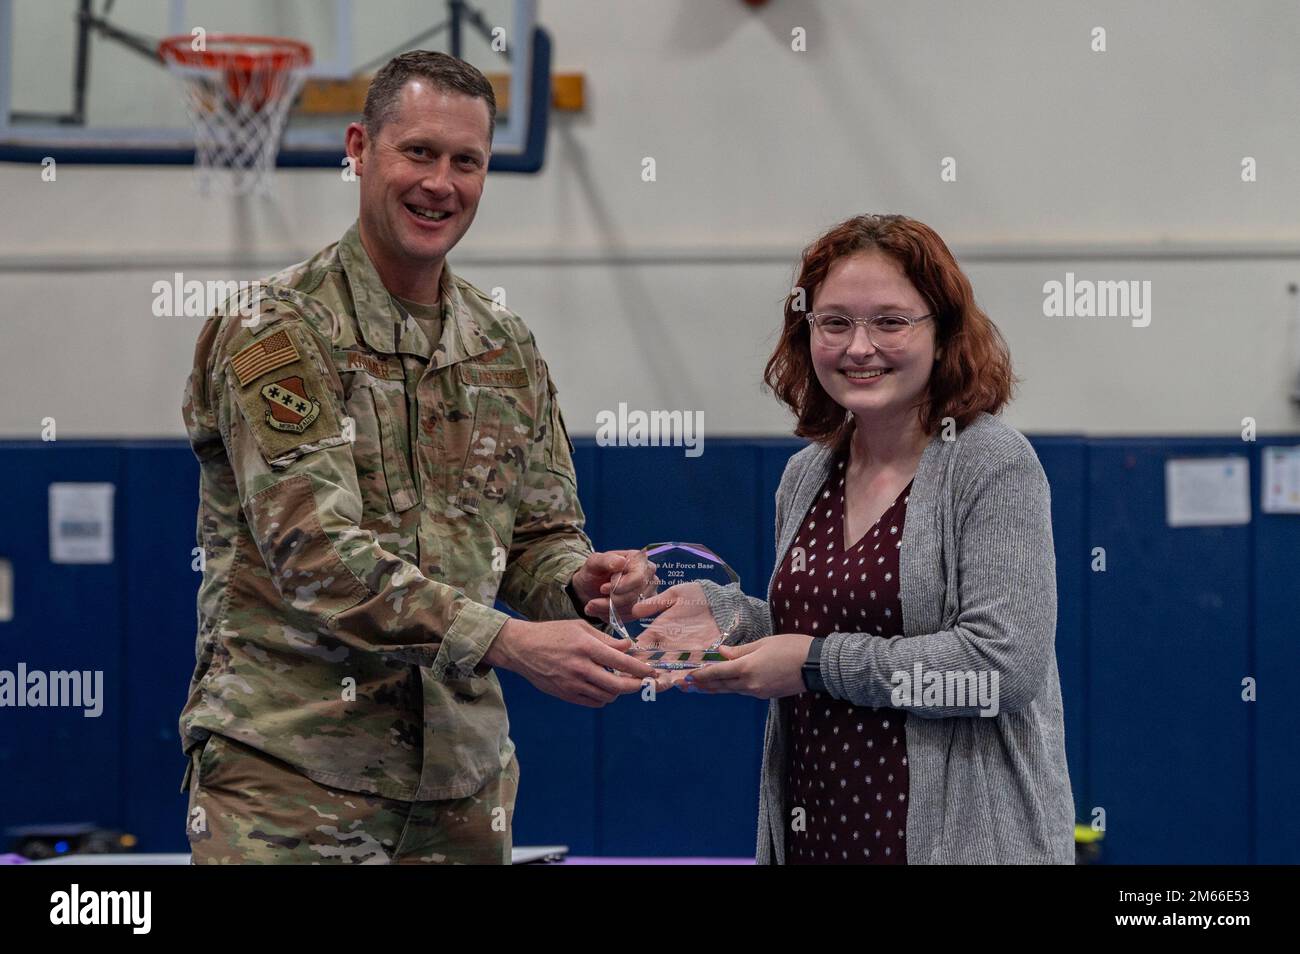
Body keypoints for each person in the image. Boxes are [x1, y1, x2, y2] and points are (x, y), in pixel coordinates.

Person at [178, 50, 655, 864]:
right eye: (419, 152)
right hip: (293, 784)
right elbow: (318, 557)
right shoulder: (276, 331)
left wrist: (580, 584)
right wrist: (507, 643)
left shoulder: (504, 346)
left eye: (466, 161)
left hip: (463, 790)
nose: (442, 183)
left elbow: (538, 539)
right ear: (359, 148)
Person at [674, 214, 1075, 863]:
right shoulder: (807, 473)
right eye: (834, 323)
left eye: (890, 322)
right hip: (818, 838)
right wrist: (726, 619)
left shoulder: (991, 464)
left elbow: (999, 669)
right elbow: (813, 627)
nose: (859, 347)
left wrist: (812, 663)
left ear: (942, 332)